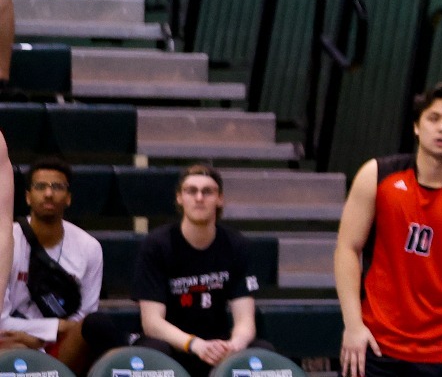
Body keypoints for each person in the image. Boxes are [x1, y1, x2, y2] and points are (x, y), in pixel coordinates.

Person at [336, 83, 442, 377]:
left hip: (435, 353)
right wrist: (352, 325)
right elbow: (348, 249)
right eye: (433, 118)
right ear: (416, 126)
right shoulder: (377, 176)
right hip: (372, 344)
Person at [129, 165, 265, 373]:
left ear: (220, 199)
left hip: (217, 346)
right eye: (191, 191)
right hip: (173, 345)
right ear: (179, 198)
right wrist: (194, 345)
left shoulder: (237, 245)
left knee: (262, 350)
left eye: (207, 191)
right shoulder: (157, 245)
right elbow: (152, 323)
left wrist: (234, 345)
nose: (199, 197)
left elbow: (245, 320)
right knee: (154, 351)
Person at [1, 158, 103, 368]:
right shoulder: (6, 241)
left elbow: (83, 320)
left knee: (96, 327)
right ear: (28, 197)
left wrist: (43, 337)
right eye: (40, 186)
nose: (48, 193)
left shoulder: (89, 247)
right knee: (13, 348)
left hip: (62, 343)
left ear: (68, 198)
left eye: (57, 187)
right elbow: (1, 320)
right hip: (11, 339)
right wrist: (54, 327)